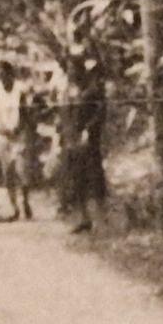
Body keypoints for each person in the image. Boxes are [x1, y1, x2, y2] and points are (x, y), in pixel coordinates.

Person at [56, 50, 108, 234]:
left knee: (94, 180)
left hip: (87, 140)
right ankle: (83, 219)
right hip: (71, 139)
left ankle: (100, 220)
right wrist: (61, 133)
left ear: (80, 70)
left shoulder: (92, 90)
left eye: (73, 69)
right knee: (75, 179)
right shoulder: (66, 91)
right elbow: (63, 115)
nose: (71, 72)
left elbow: (100, 112)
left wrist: (89, 129)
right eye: (68, 69)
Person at [0, 58, 35, 221]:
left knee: (22, 171)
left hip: (18, 134)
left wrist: (22, 129)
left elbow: (26, 112)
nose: (2, 79)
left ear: (10, 74)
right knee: (7, 173)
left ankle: (25, 202)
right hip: (1, 135)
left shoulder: (20, 89)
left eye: (5, 75)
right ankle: (14, 207)